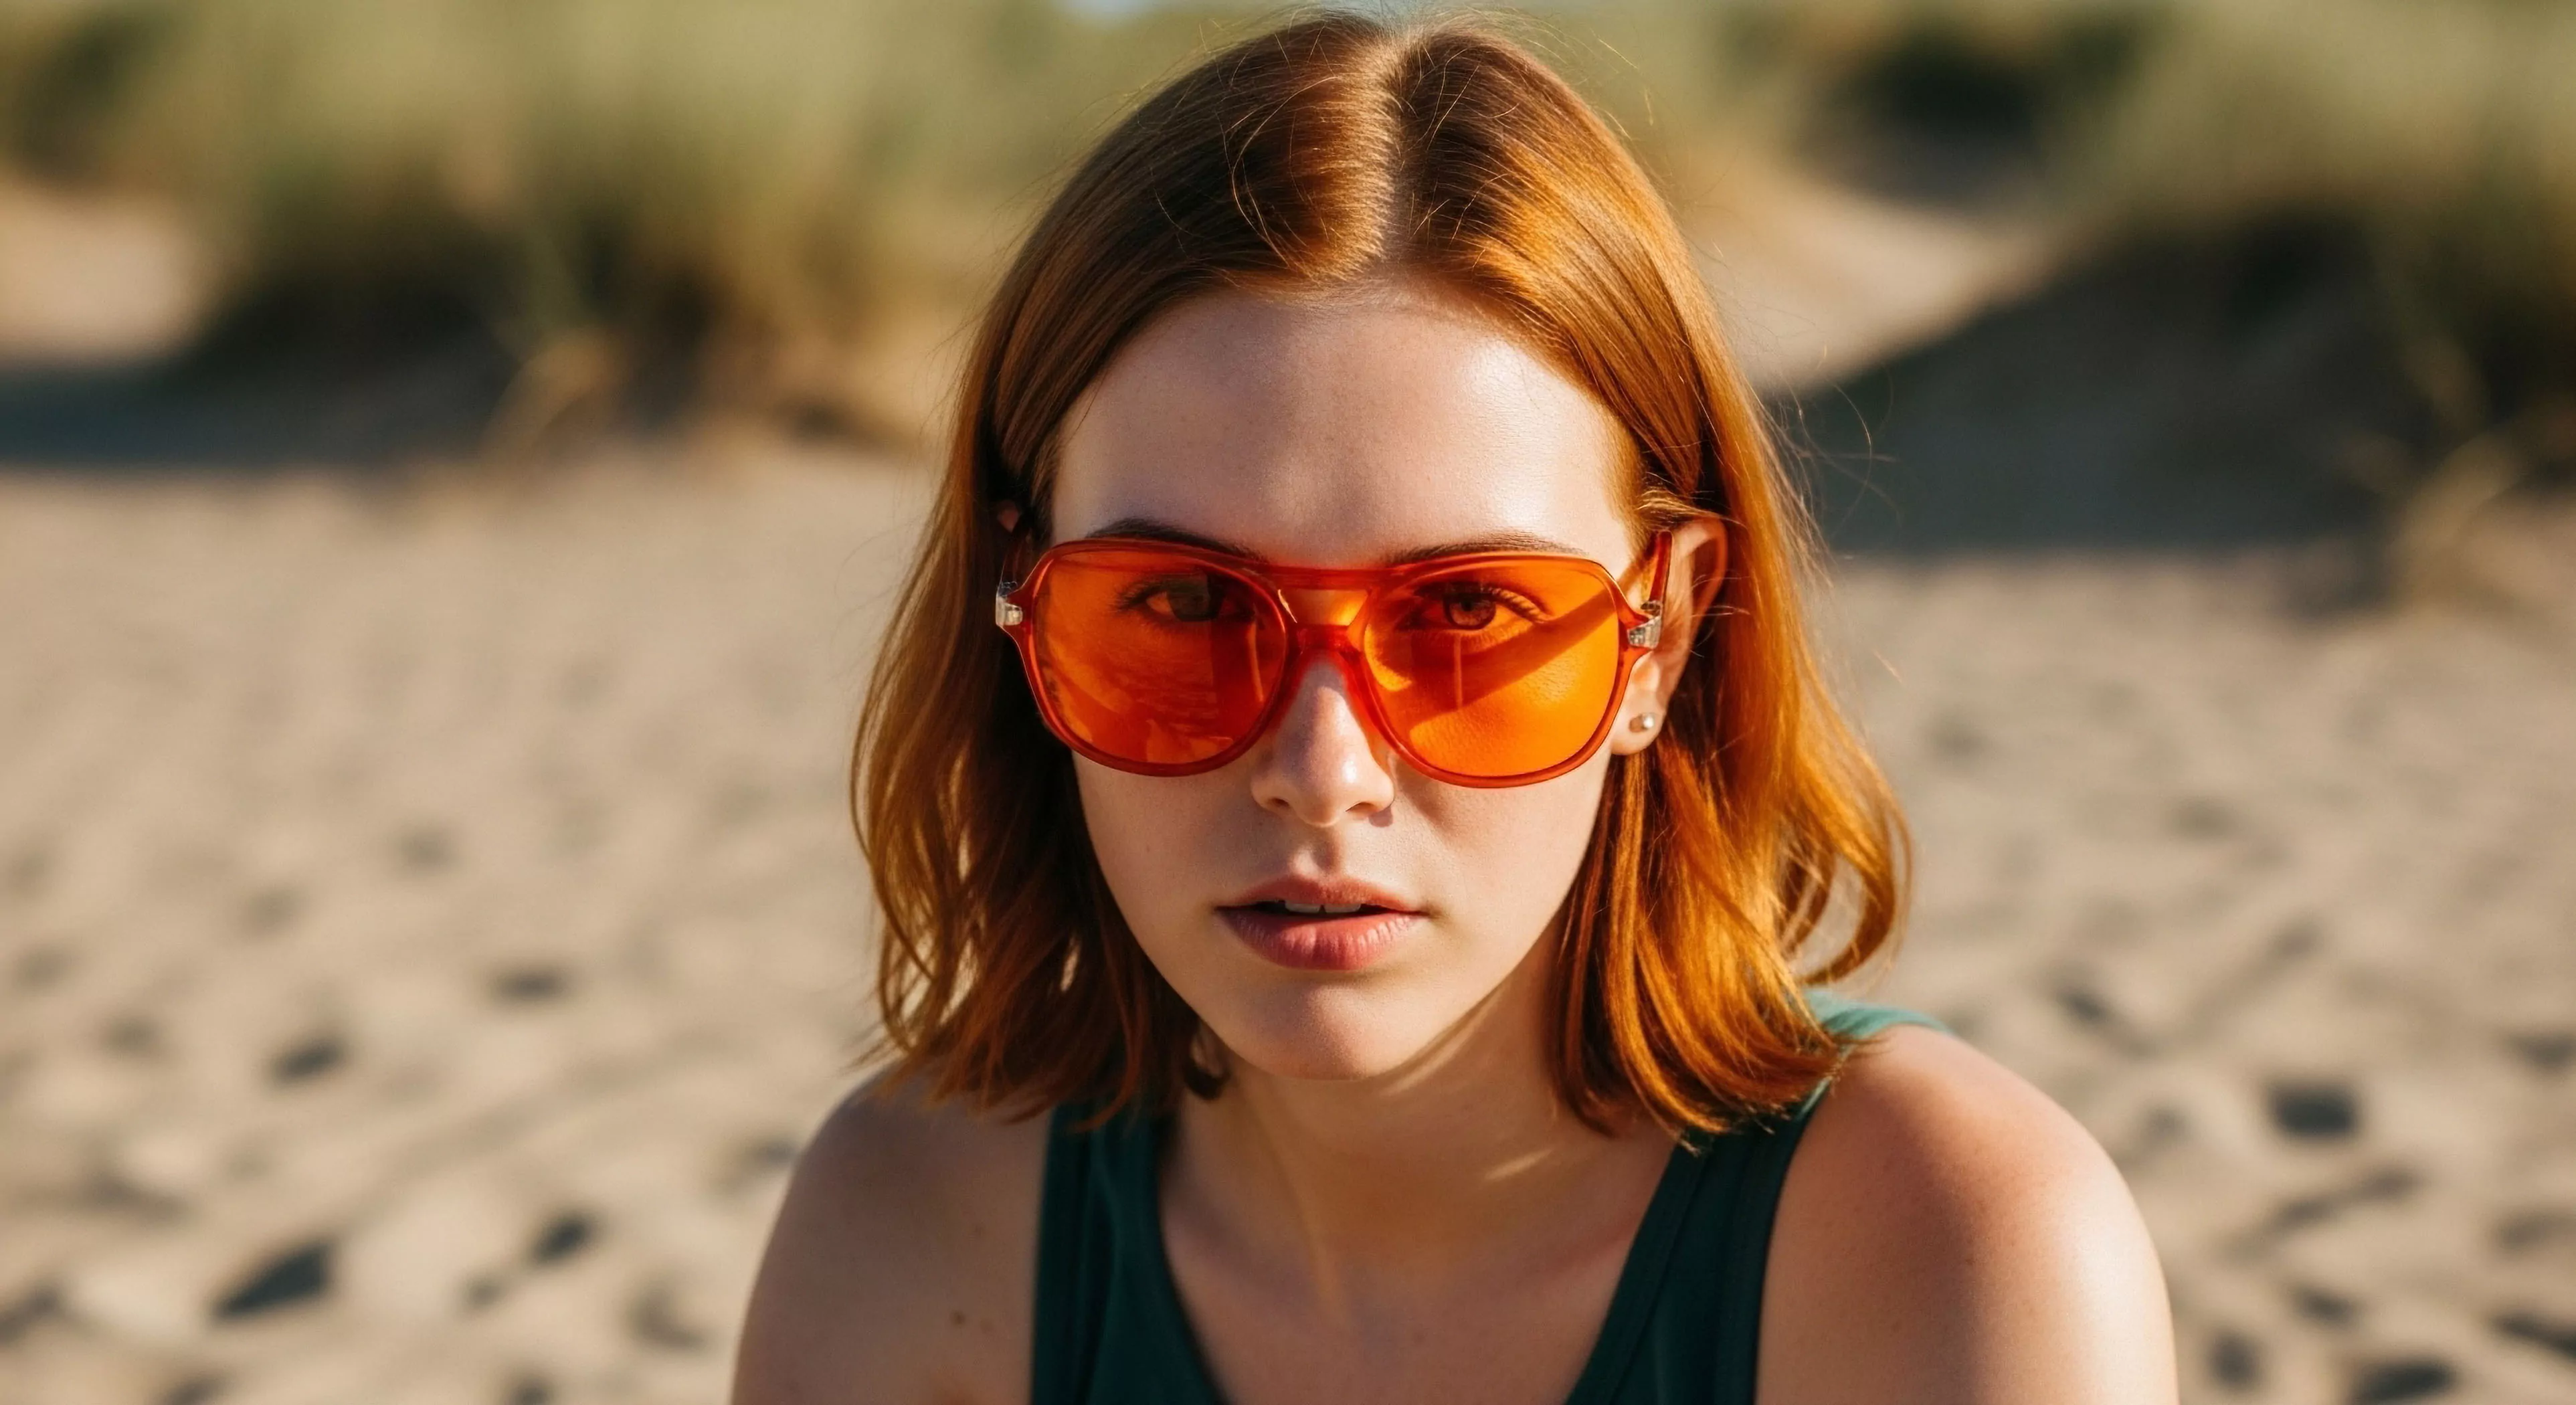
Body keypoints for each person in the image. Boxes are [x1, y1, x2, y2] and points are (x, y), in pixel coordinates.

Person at [733, 13, 2175, 1404]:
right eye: (1178, 604)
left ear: (1657, 633)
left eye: (1468, 613)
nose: (1319, 771)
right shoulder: (910, 1239)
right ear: (1018, 607)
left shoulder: (1946, 1253)